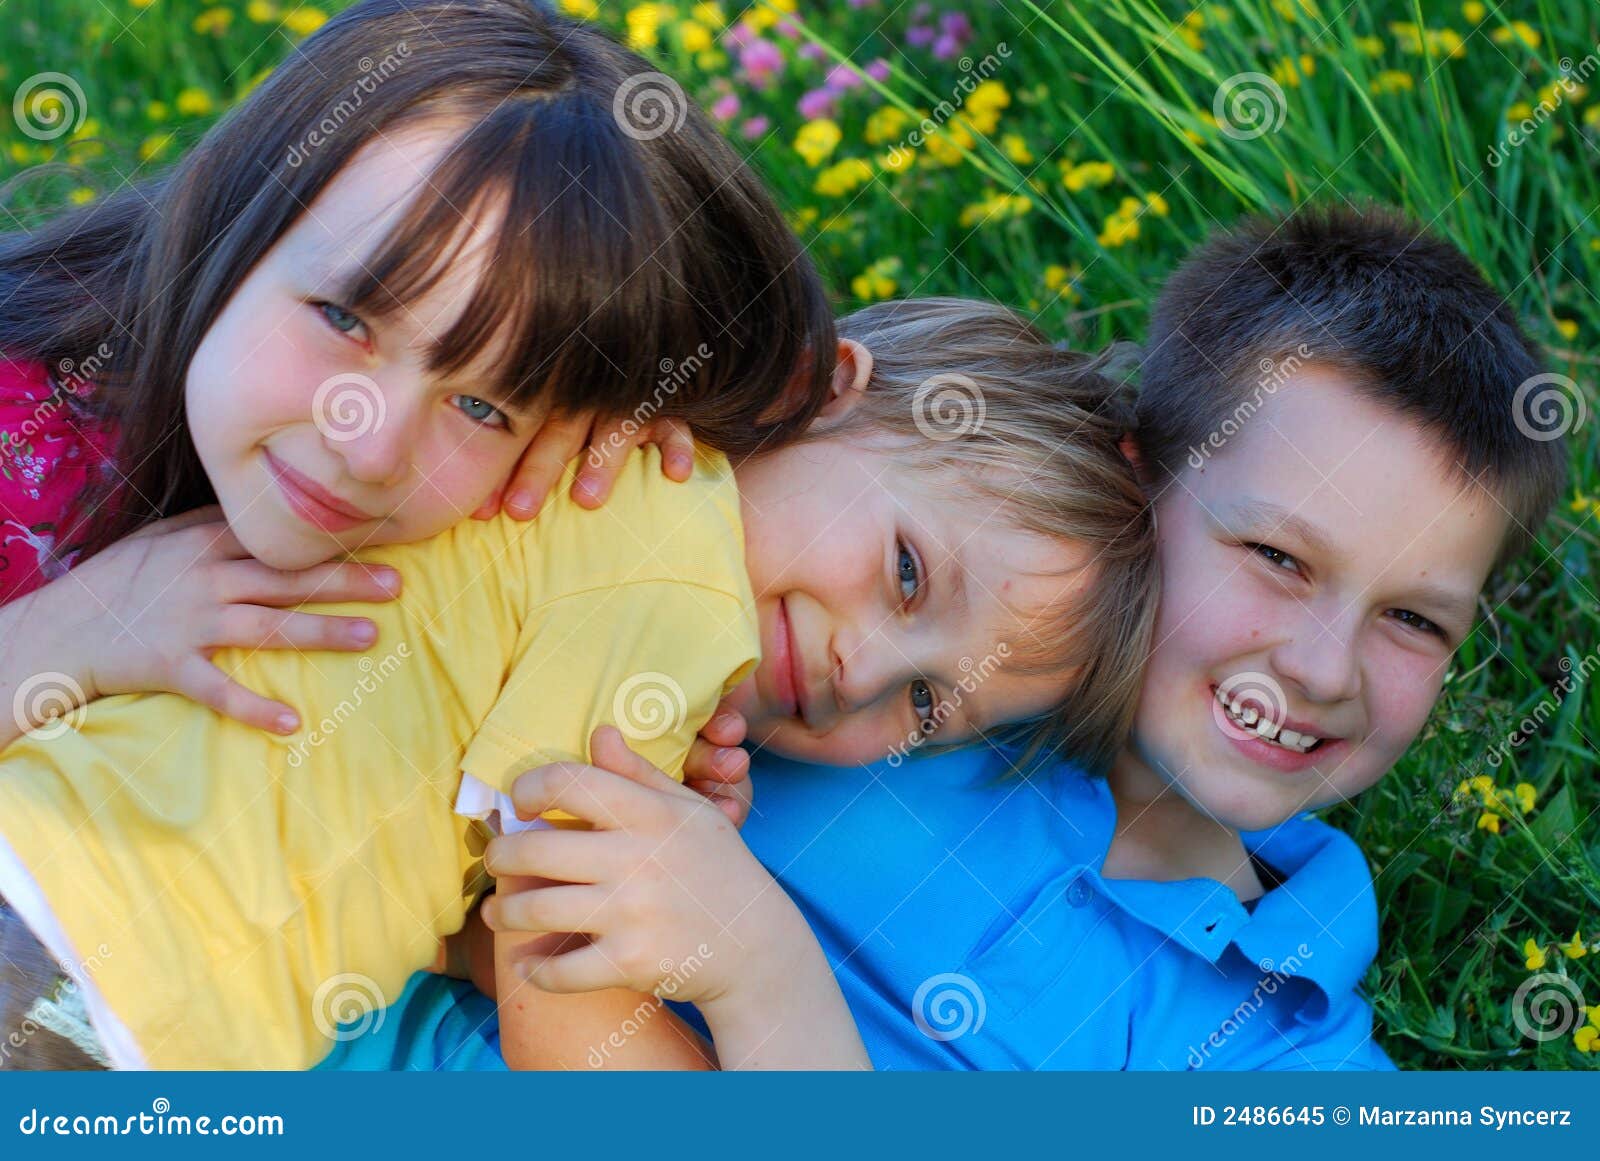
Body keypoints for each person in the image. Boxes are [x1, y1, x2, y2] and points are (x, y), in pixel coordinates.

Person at [475, 204, 1565, 1071]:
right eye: (1278, 557)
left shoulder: (1278, 1046)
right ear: (1135, 493)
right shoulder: (827, 677)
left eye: (1414, 619)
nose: (1322, 668)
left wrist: (769, 984)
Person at [0, 298, 1157, 1070]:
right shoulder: (680, 590)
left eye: (927, 705)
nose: (864, 669)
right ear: (818, 387)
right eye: (906, 573)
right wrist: (757, 971)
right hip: (93, 986)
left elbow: (443, 894)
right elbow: (572, 1039)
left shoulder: (594, 496)